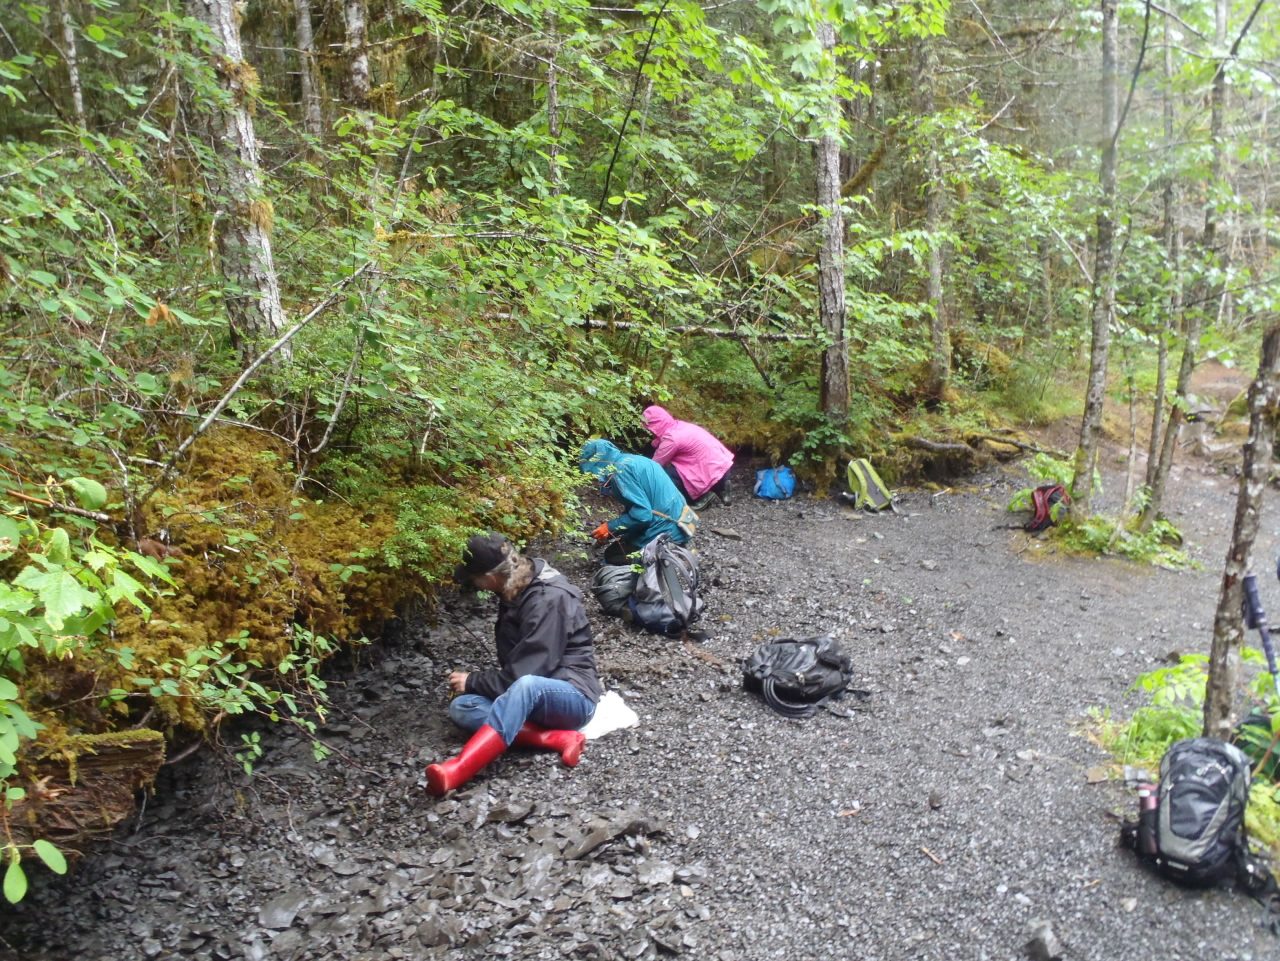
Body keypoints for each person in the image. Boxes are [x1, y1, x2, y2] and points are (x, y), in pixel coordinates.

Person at [426, 533, 601, 796]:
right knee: (463, 707)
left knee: (526, 685)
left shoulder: (547, 599)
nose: (475, 585)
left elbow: (527, 673)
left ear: (490, 577)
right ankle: (553, 738)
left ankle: (458, 769)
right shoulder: (515, 588)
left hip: (574, 696)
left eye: (474, 579)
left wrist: (472, 681)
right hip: (535, 694)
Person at [579, 439, 695, 560]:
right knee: (624, 542)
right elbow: (639, 506)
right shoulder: (634, 460)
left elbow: (643, 515)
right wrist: (613, 532)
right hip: (682, 521)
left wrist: (610, 527)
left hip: (666, 529)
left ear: (596, 465)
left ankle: (663, 556)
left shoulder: (619, 472)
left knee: (613, 555)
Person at [641, 405, 734, 510]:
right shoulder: (680, 426)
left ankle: (701, 497)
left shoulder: (671, 438)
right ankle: (722, 489)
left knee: (666, 475)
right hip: (721, 465)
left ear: (655, 426)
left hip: (708, 469)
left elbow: (654, 465)